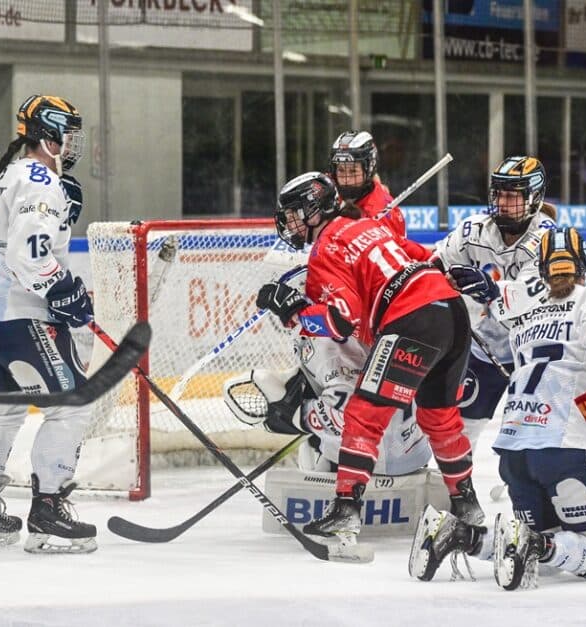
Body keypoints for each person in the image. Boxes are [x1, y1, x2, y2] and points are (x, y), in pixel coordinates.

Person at [255, 171, 482, 545]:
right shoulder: (368, 225)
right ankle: (467, 504)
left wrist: (295, 313)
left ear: (315, 210)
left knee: (362, 415)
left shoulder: (326, 248)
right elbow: (426, 257)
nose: (291, 223)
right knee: (438, 417)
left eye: (295, 214)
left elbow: (341, 320)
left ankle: (346, 511)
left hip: (412, 317)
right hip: (453, 313)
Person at [409, 227, 586, 589]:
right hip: (567, 446)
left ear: (542, 270)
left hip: (515, 451)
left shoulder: (525, 310)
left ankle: (458, 534)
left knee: (543, 555)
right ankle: (532, 541)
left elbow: (502, 296)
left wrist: (485, 288)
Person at [0, 94, 97, 553]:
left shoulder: (7, 175)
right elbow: (28, 254)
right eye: (69, 133)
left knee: (1, 413)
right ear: (49, 134)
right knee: (72, 405)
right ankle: (49, 510)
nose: (73, 142)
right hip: (15, 313)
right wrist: (64, 290)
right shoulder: (41, 181)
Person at [433, 155, 558, 447]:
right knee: (461, 428)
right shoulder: (473, 231)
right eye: (499, 194)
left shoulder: (549, 239)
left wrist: (489, 288)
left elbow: (526, 296)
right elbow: (436, 263)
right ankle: (456, 474)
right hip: (487, 346)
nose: (502, 202)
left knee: (536, 436)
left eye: (512, 196)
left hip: (537, 349)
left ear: (534, 197)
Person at [223, 332, 433, 476]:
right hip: (416, 449)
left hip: (378, 460)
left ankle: (334, 497)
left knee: (311, 446)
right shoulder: (363, 317)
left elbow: (348, 413)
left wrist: (298, 416)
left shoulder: (328, 343)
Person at [328, 129, 431, 260]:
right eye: (341, 170)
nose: (346, 180)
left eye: (353, 171)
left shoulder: (381, 212)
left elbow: (395, 261)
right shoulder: (327, 188)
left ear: (369, 169)